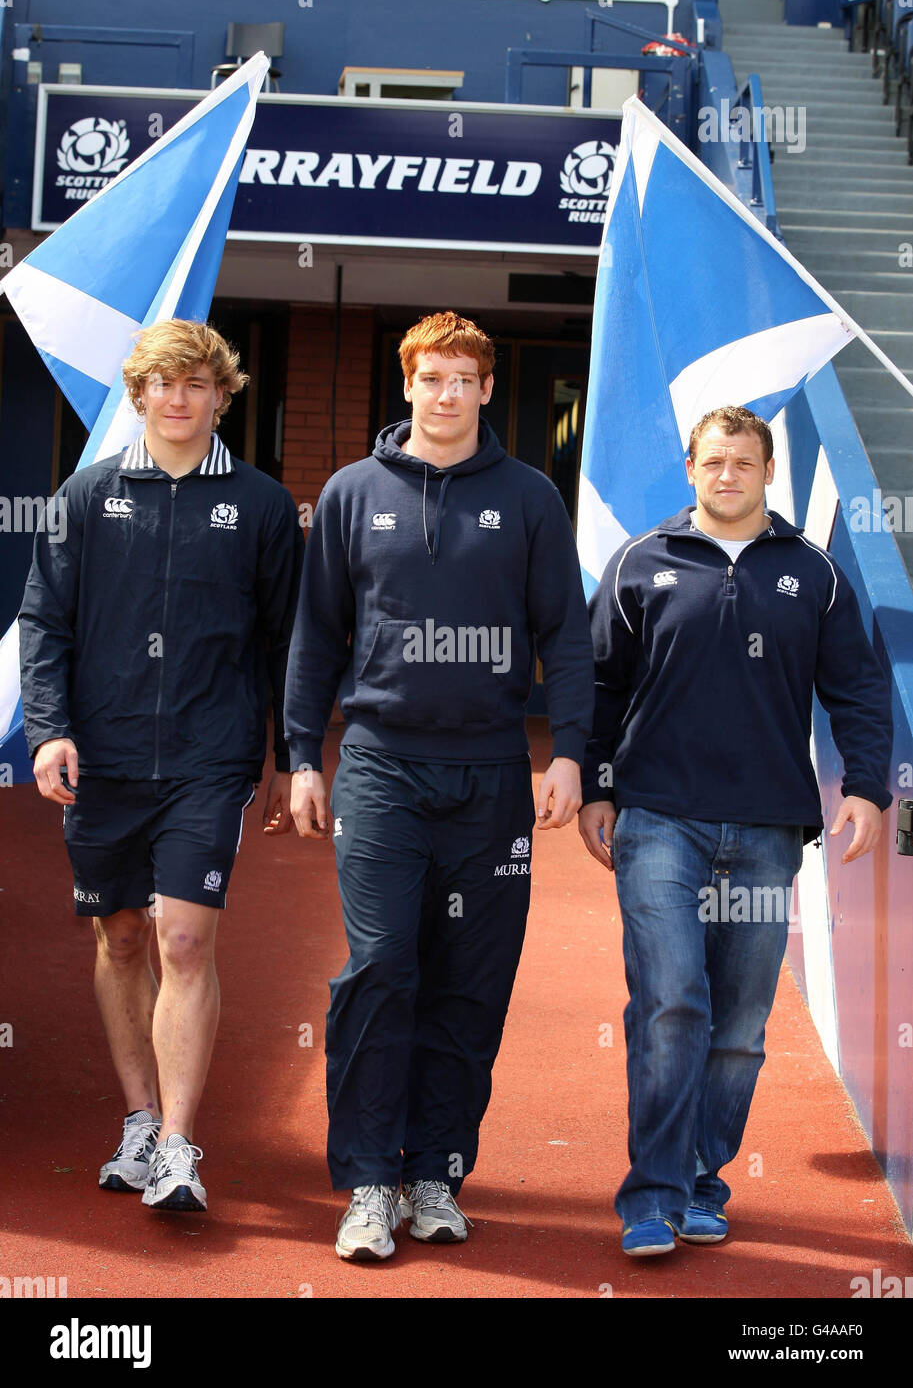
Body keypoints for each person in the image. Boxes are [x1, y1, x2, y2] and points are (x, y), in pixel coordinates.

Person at [285, 310, 594, 1261]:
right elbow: (313, 634)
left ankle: (435, 1173)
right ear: (407, 383)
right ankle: (370, 1181)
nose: (447, 392)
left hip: (492, 771)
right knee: (380, 967)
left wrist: (572, 752)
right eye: (431, 377)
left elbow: (566, 638)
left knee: (471, 979)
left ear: (488, 389)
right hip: (379, 766)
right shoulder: (350, 492)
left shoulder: (532, 498)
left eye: (465, 377)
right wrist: (302, 755)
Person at [578, 404, 893, 1257]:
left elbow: (859, 690)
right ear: (691, 469)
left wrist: (866, 788)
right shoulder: (642, 562)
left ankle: (702, 1177)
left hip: (764, 826)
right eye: (713, 461)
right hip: (656, 821)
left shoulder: (813, 574)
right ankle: (651, 1195)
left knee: (740, 1025)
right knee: (671, 1001)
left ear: (764, 473)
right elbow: (596, 686)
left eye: (743, 463)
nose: (727, 475)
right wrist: (597, 786)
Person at [19, 319, 302, 1214]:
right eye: (162, 385)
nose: (178, 400)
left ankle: (180, 1145)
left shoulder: (260, 506)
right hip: (101, 756)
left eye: (196, 385)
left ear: (223, 395)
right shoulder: (86, 493)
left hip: (208, 758)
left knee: (183, 938)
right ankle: (138, 1121)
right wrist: (48, 731)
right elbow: (45, 623)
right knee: (122, 937)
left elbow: (285, 642)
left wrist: (290, 758)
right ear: (139, 394)